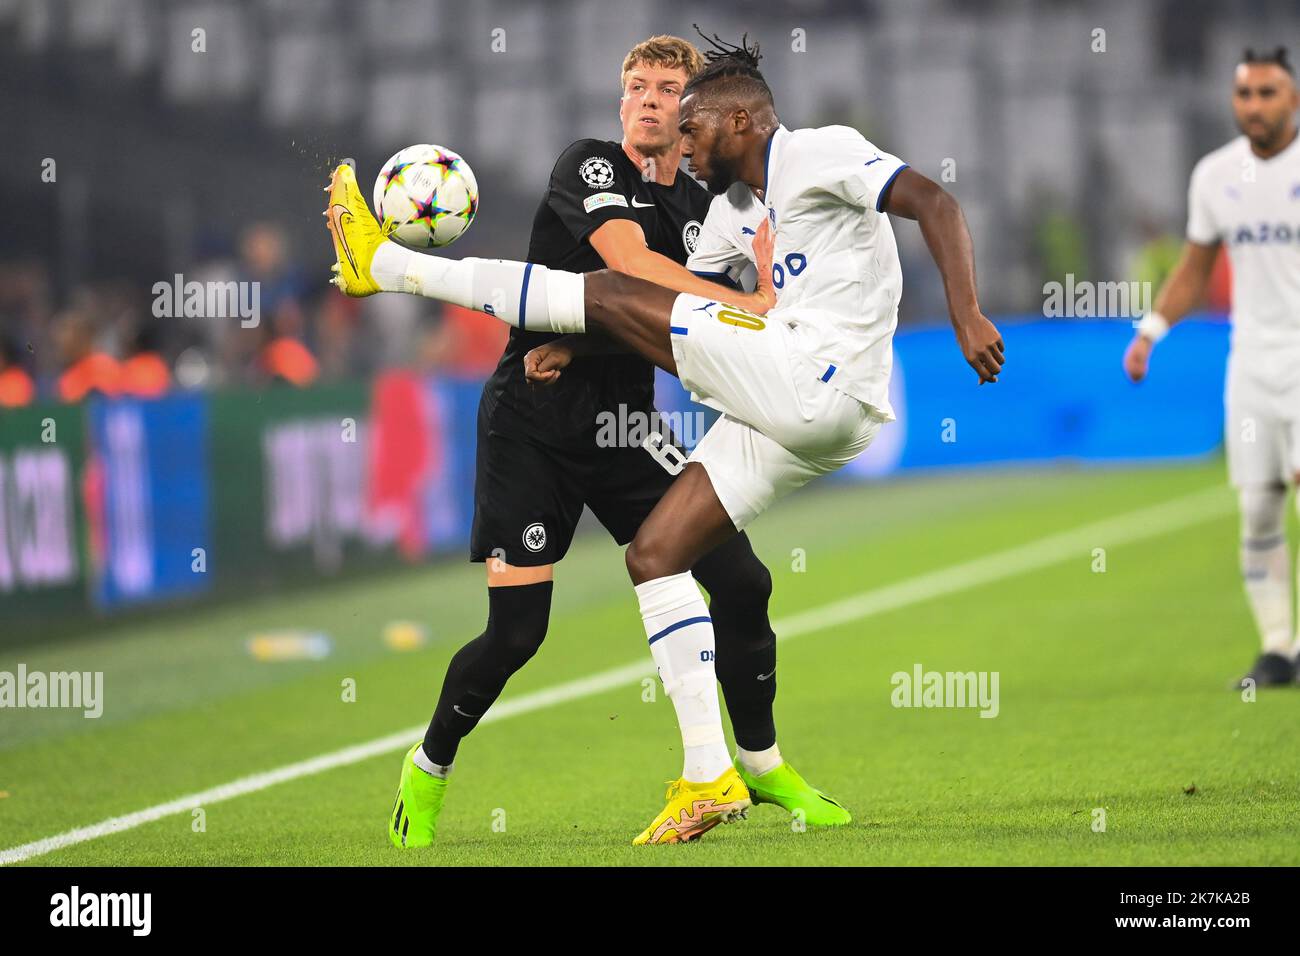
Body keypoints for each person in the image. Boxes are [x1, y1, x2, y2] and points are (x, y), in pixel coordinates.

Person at [327, 33, 1002, 844]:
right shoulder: (592, 166)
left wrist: (758, 290)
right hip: (532, 425)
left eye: (674, 98)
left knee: (738, 581)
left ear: (717, 114)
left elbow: (704, 297)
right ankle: (431, 768)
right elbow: (632, 274)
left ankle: (743, 768)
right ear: (622, 102)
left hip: (643, 423)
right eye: (640, 88)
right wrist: (697, 311)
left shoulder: (736, 191)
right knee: (533, 625)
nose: (660, 111)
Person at [1124, 47, 1300, 688]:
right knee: (1258, 508)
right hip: (1250, 362)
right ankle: (1279, 649)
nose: (1254, 105)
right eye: (1245, 94)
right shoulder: (1215, 175)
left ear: (1293, 98)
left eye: (1268, 93)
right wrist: (1150, 332)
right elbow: (1195, 268)